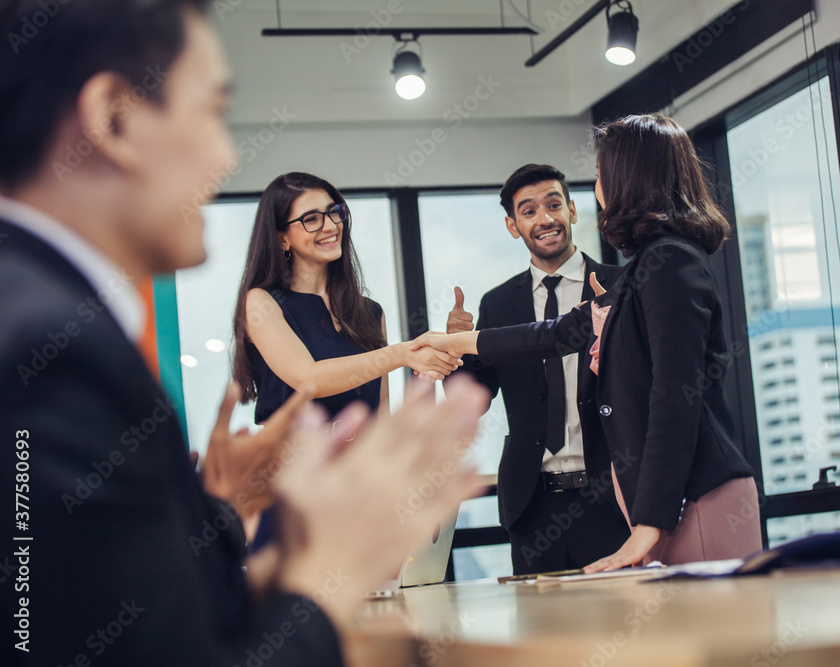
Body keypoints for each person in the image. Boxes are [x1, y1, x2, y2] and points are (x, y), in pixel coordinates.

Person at [0, 2, 485, 666]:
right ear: (113, 119)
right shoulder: (50, 352)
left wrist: (218, 509)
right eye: (210, 111)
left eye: (333, 214)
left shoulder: (45, 319)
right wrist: (328, 572)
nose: (227, 156)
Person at [416, 114, 762, 571]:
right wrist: (458, 342)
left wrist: (650, 523)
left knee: (717, 639)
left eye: (601, 172)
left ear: (629, 176)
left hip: (693, 493)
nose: (598, 184)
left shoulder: (668, 262)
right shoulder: (648, 264)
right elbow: (557, 333)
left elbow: (675, 398)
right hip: (661, 501)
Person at [231, 171, 462, 546]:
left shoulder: (370, 313)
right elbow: (310, 379)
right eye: (311, 218)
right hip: (294, 492)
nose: (329, 225)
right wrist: (403, 353)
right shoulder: (262, 303)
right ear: (281, 238)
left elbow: (379, 423)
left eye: (333, 211)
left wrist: (438, 357)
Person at [446, 164, 629, 574]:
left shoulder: (619, 285)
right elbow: (468, 403)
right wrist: (457, 350)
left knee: (625, 627)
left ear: (573, 211)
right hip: (532, 505)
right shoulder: (498, 304)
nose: (544, 219)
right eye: (528, 211)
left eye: (553, 204)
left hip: (611, 496)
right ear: (513, 226)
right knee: (541, 630)